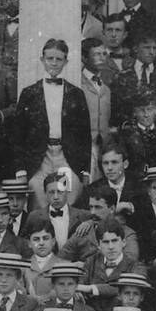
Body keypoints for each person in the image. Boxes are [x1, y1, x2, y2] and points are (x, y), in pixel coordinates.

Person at [11, 38, 93, 199]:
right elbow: (18, 134)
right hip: (40, 157)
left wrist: (85, 170)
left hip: (66, 156)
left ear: (66, 62)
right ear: (42, 60)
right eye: (50, 59)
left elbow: (84, 135)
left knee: (71, 191)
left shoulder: (76, 94)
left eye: (59, 59)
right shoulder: (29, 93)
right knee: (36, 190)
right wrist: (20, 169)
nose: (54, 63)